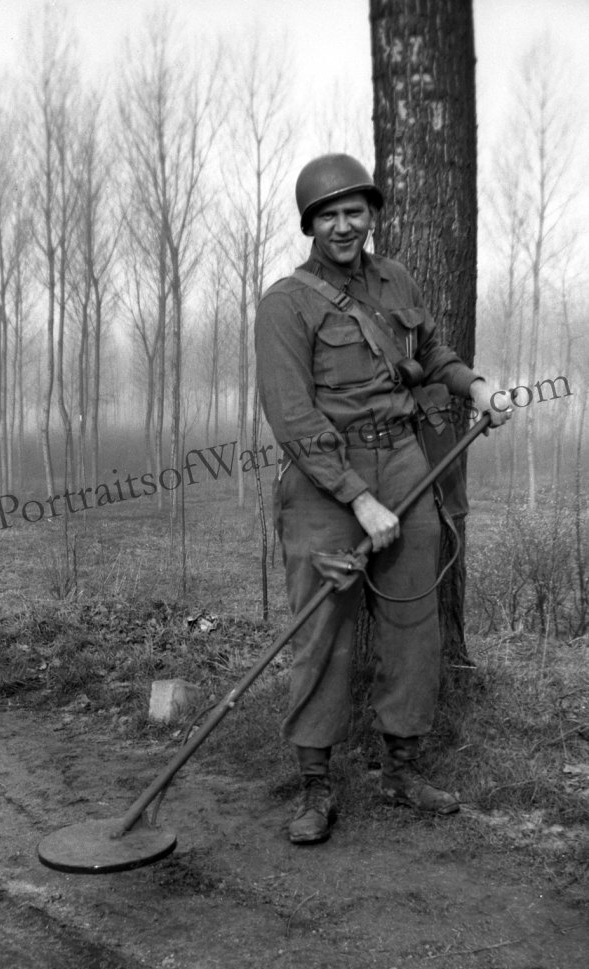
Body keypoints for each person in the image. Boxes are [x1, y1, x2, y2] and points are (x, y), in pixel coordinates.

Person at [255, 153, 511, 845]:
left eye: (354, 212)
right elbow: (292, 419)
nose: (344, 225)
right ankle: (315, 785)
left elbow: (432, 354)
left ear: (371, 216)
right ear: (311, 224)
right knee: (322, 630)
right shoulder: (286, 302)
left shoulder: (396, 279)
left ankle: (402, 767)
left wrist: (474, 386)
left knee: (412, 621)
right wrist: (358, 499)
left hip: (403, 456)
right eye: (329, 215)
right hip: (324, 477)